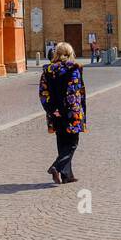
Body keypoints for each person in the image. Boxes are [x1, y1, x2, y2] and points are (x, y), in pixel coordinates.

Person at [39, 42, 87, 184]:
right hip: (71, 112)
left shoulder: (47, 71)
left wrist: (52, 109)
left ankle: (67, 175)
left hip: (55, 113)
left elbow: (43, 93)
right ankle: (56, 166)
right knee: (72, 143)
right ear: (70, 53)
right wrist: (73, 110)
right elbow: (74, 91)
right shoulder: (73, 69)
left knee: (62, 142)